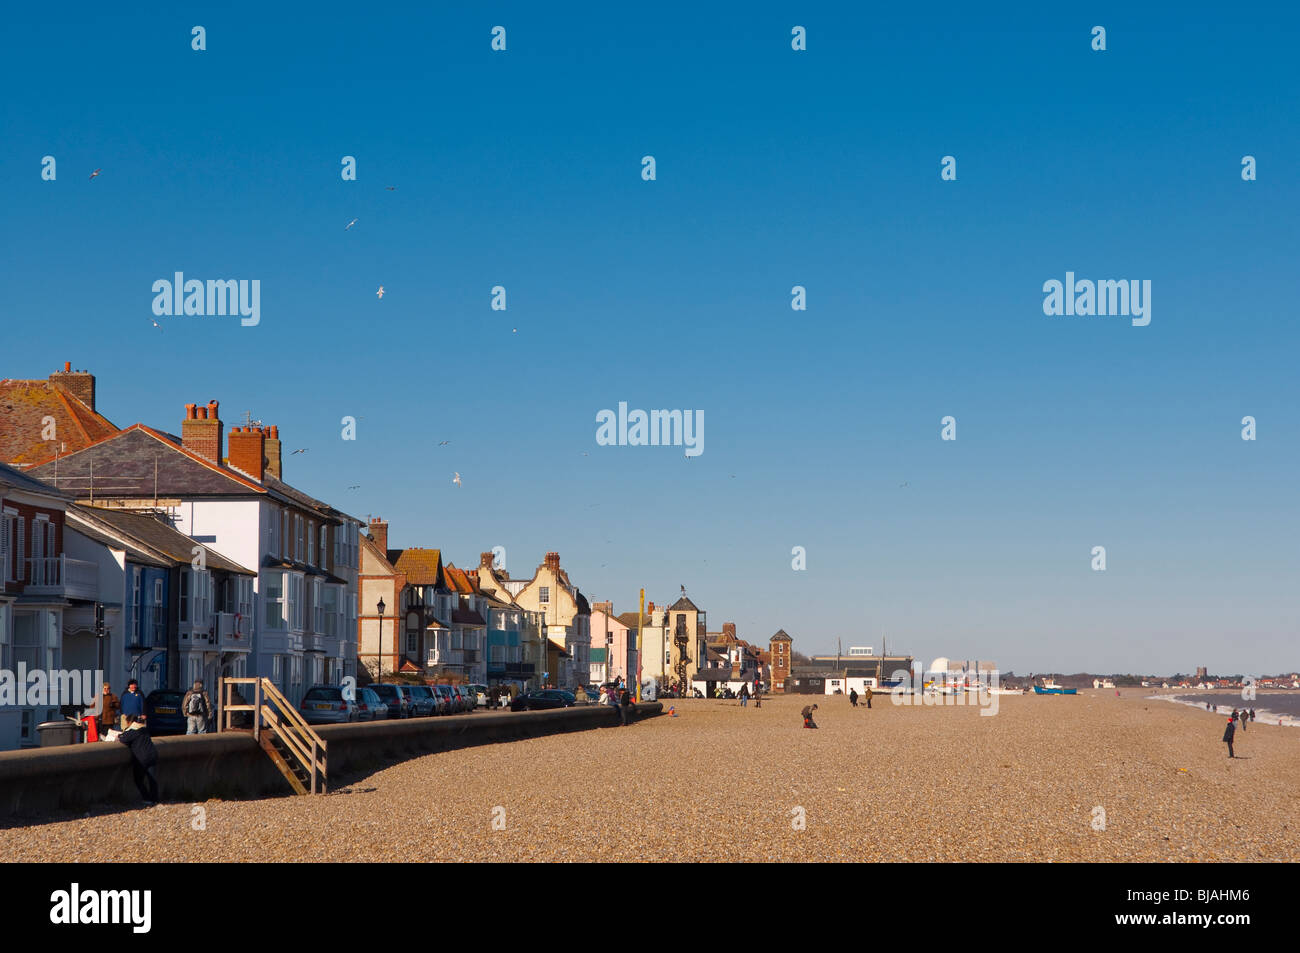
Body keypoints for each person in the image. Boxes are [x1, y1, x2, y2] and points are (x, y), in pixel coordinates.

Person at [118, 716, 160, 804]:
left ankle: (147, 798)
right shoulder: (144, 729)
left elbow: (122, 739)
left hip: (142, 758)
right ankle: (155, 799)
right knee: (152, 779)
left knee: (138, 779)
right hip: (152, 755)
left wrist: (122, 733)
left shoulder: (133, 731)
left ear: (130, 722)